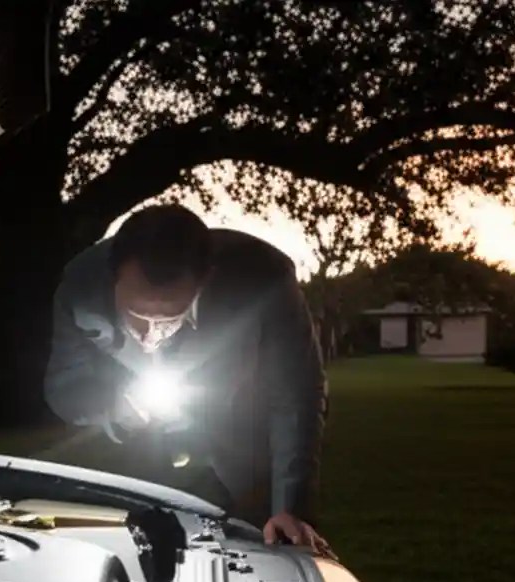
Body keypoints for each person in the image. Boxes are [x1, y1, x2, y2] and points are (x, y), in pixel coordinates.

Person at [44, 204, 328, 550]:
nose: (151, 338)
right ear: (112, 275)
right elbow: (63, 387)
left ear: (204, 280)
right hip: (130, 475)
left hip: (241, 458)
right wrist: (114, 408)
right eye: (136, 316)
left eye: (168, 318)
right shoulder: (80, 285)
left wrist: (289, 508)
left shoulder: (265, 280)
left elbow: (295, 397)